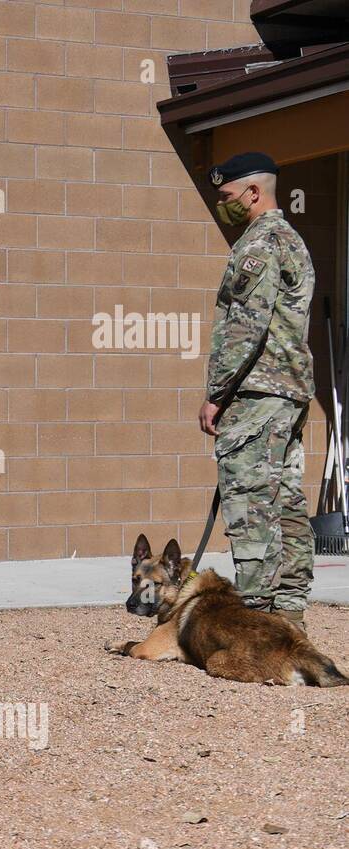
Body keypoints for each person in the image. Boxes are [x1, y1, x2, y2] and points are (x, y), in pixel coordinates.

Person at [197, 151, 315, 628]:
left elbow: (246, 326)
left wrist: (217, 392)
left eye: (226, 196)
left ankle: (256, 625)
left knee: (249, 503)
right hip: (288, 392)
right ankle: (289, 619)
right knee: (284, 499)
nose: (222, 205)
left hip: (259, 393)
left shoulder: (261, 243)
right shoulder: (292, 239)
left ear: (252, 192)